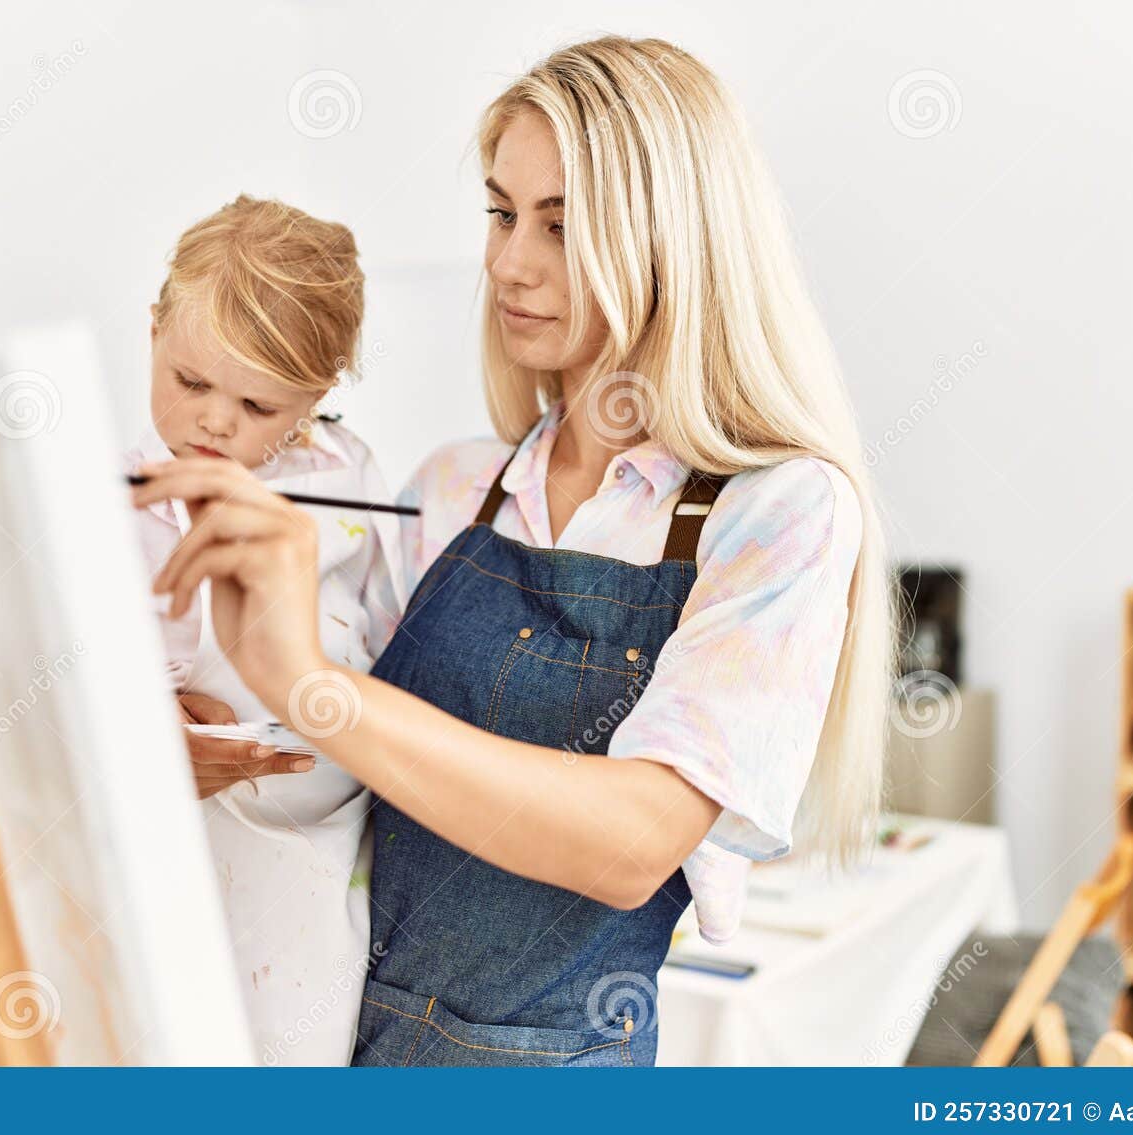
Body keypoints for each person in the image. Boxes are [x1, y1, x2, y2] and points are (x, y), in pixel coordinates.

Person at [133, 36, 893, 1067]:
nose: (505, 263)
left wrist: (310, 685)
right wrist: (195, 744)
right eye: (500, 213)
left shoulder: (777, 511)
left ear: (674, 241)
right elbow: (348, 774)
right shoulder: (448, 489)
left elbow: (632, 843)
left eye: (559, 225)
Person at [123, 195, 401, 1065]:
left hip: (313, 851)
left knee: (292, 1048)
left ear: (314, 399)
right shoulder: (118, 498)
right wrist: (150, 733)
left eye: (258, 405)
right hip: (181, 836)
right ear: (155, 329)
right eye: (192, 382)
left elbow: (393, 638)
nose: (214, 421)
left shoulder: (348, 474)